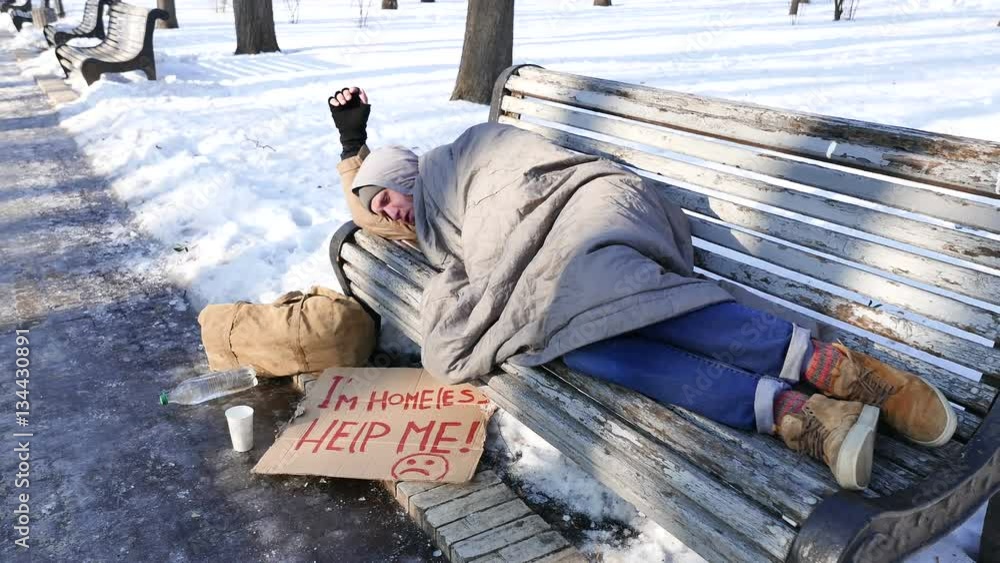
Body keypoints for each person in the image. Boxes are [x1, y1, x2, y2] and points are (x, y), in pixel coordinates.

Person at [327, 86, 957, 490]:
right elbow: (368, 214)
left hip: (590, 206)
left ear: (407, 173)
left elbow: (517, 187)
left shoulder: (469, 149)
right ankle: (800, 415)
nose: (389, 209)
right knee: (575, 341)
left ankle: (841, 368)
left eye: (388, 193)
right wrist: (350, 145)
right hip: (546, 248)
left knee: (595, 291)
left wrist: (501, 271)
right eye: (378, 205)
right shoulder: (437, 227)